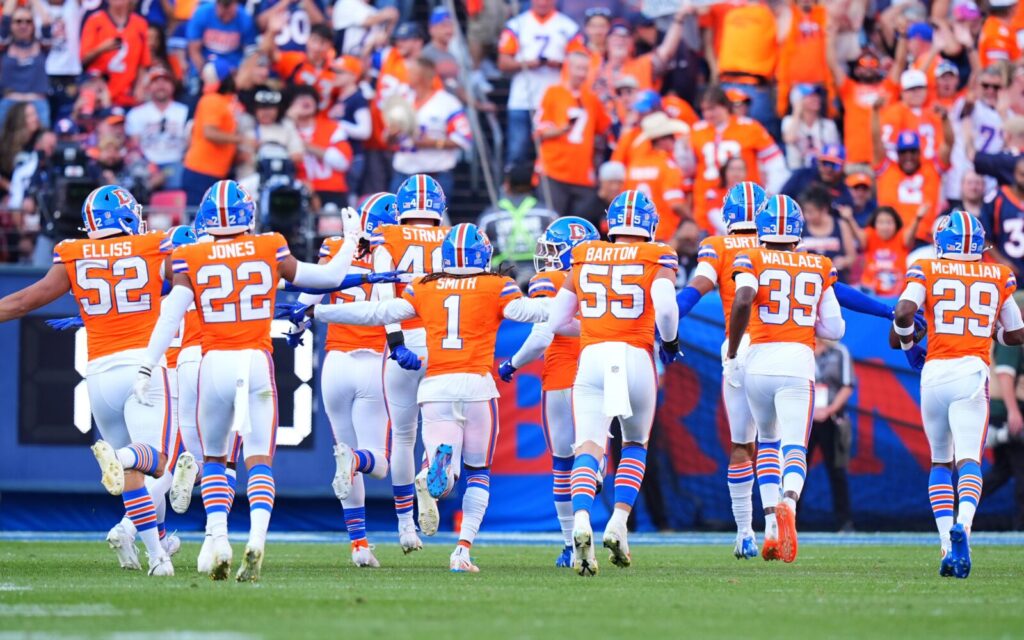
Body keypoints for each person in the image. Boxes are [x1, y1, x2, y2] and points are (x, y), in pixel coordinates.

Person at [131, 179, 365, 582]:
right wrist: (350, 242)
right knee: (258, 458)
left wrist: (146, 365)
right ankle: (256, 537)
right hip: (255, 360)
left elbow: (171, 315)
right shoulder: (268, 244)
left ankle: (218, 537)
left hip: (213, 362)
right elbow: (324, 279)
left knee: (215, 459)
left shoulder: (190, 254)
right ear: (247, 215)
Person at [310, 223, 552, 572]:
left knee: (435, 460)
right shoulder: (497, 285)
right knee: (479, 473)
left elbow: (378, 313)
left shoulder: (425, 286)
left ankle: (432, 471)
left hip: (436, 386)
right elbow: (527, 313)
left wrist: (320, 312)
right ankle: (462, 551)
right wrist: (578, 304)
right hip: (478, 386)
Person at [0, 186, 176, 576]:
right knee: (157, 460)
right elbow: (194, 281)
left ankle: (158, 557)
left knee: (131, 475)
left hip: (97, 375)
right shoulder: (153, 244)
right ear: (127, 216)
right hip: (141, 367)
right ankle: (124, 460)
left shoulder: (73, 252)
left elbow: (25, 301)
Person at [545, 190, 682, 577]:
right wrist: (670, 341)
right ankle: (619, 522)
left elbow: (555, 320)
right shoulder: (657, 254)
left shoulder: (585, 253)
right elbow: (667, 307)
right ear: (649, 223)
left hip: (592, 358)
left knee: (588, 445)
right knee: (634, 444)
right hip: (634, 358)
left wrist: (591, 326)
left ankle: (583, 519)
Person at [891, 210, 1024, 579]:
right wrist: (987, 333)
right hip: (970, 373)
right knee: (969, 460)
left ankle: (946, 545)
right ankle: (963, 526)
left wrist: (907, 346)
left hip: (933, 374)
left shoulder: (929, 268)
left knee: (939, 462)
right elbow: (1016, 334)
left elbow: (904, 310)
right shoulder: (998, 274)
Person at [281, 193, 398, 567]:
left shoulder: (336, 245)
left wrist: (302, 319)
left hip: (334, 364)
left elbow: (312, 294)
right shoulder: (393, 250)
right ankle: (354, 462)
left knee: (343, 452)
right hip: (371, 362)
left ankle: (359, 545)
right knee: (376, 462)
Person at [726, 194, 845, 563]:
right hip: (796, 361)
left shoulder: (752, 256)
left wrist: (732, 348)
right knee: (795, 445)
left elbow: (743, 299)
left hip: (757, 361)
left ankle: (771, 529)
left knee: (767, 442)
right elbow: (836, 328)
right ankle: (789, 502)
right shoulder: (818, 264)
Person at [497, 216, 599, 566]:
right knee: (593, 454)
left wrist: (512, 363)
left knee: (562, 464)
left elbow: (542, 335)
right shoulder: (602, 276)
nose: (546, 257)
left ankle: (571, 545)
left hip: (560, 380)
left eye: (554, 250)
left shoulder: (549, 280)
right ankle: (599, 491)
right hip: (599, 375)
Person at [675, 181, 767, 559]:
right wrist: (886, 310)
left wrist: (668, 316)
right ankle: (776, 525)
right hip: (779, 346)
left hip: (738, 347)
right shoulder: (783, 247)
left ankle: (745, 532)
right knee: (777, 443)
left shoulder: (719, 244)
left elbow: (699, 285)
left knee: (741, 443)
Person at [369, 174, 450, 554]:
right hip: (442, 344)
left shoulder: (389, 235)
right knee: (442, 428)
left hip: (402, 339)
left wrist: (396, 340)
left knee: (402, 435)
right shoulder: (454, 239)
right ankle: (427, 474)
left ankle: (404, 526)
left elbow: (384, 292)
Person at [688, 86, 788, 233]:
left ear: (725, 106)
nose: (708, 114)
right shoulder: (696, 130)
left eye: (712, 109)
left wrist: (770, 193)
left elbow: (775, 162)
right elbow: (688, 170)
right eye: (704, 110)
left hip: (746, 205)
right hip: (706, 205)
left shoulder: (750, 128)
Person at [496, 0, 579, 166]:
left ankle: (546, 190)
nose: (542, 3)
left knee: (553, 152)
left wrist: (559, 64)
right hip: (523, 98)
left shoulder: (568, 27)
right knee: (517, 151)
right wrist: (528, 63)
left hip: (554, 102)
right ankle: (512, 190)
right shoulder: (517, 24)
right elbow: (503, 62)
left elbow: (580, 62)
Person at [535, 50, 610, 218]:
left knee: (579, 228)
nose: (582, 74)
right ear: (568, 68)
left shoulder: (591, 98)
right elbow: (539, 131)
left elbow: (604, 127)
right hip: (554, 170)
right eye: (578, 68)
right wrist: (563, 129)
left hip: (582, 174)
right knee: (553, 226)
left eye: (585, 69)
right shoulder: (552, 93)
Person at [388, 56, 471, 198]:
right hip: (402, 174)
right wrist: (392, 134)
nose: (407, 75)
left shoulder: (447, 103)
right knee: (396, 219)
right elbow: (388, 139)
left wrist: (433, 143)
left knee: (432, 220)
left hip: (433, 176)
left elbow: (464, 139)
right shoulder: (402, 98)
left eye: (411, 72)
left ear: (422, 76)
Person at [476, 162, 559, 287]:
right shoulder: (548, 214)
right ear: (532, 183)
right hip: (542, 277)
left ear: (507, 184)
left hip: (502, 279)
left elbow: (478, 251)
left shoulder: (488, 217)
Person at [872, 111, 950, 243]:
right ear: (897, 154)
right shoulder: (887, 169)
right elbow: (875, 141)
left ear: (919, 152)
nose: (908, 156)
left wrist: (946, 120)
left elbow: (948, 144)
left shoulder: (931, 169)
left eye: (913, 152)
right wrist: (875, 111)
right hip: (892, 240)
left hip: (924, 239)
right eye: (903, 152)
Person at [181, 59, 245, 206]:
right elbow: (210, 133)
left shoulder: (227, 100)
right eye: (233, 75)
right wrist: (240, 140)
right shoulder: (212, 100)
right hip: (201, 171)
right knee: (199, 220)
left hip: (216, 171)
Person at [809, 339, 856, 532]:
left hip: (832, 418)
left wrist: (829, 409)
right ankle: (789, 521)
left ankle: (844, 521)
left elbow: (847, 385)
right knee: (796, 468)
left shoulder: (839, 352)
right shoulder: (802, 348)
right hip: (805, 418)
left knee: (837, 470)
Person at [983, 319, 1024, 530]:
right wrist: (1013, 410)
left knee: (1003, 469)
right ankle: (1020, 526)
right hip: (1009, 411)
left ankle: (958, 505)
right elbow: (1006, 374)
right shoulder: (1011, 336)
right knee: (1019, 469)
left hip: (1006, 409)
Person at [713, 0, 779, 131]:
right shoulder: (728, 12)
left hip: (756, 84)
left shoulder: (771, 10)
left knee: (761, 131)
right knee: (725, 131)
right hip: (727, 81)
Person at [624, 112, 689, 241]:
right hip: (662, 233)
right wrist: (693, 220)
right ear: (661, 140)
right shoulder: (667, 165)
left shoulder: (634, 165)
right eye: (672, 137)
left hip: (635, 234)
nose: (674, 140)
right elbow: (675, 204)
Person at [125, 67, 189, 190]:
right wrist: (151, 168)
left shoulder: (184, 112)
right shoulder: (136, 113)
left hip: (175, 163)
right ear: (149, 87)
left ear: (173, 86)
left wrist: (164, 173)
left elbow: (190, 145)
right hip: (147, 164)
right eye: (156, 82)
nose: (161, 85)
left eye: (165, 81)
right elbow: (135, 146)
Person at [288, 85, 352, 208]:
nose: (305, 100)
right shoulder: (285, 129)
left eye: (309, 97)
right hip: (296, 191)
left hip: (331, 190)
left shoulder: (332, 127)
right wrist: (288, 121)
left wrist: (305, 146)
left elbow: (343, 162)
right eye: (299, 98)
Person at [79, 0, 150, 108]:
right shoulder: (95, 21)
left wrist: (139, 86)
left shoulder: (140, 24)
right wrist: (101, 49)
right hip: (99, 94)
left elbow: (144, 63)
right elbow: (83, 59)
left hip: (127, 94)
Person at [840, 205, 918, 296]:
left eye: (889, 222)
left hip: (898, 294)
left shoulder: (901, 237)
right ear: (875, 224)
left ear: (896, 224)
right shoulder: (870, 235)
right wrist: (849, 219)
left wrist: (918, 219)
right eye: (880, 222)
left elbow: (910, 237)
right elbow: (859, 236)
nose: (884, 227)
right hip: (871, 294)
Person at [0, 0, 53, 128]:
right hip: (9, 103)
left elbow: (46, 22)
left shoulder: (42, 46)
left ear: (34, 25)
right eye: (18, 21)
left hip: (38, 104)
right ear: (12, 25)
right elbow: (5, 19)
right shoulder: (5, 47)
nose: (23, 25)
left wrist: (34, 1)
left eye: (28, 21)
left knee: (42, 144)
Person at [799, 184, 856, 282]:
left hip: (836, 281)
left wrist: (844, 261)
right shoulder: (800, 228)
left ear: (824, 209)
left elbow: (852, 256)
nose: (807, 216)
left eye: (811, 212)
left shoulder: (841, 225)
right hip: (808, 281)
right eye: (806, 211)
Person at [980, 156, 1024, 277]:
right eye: (1022, 175)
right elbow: (984, 237)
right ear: (1014, 173)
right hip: (1003, 273)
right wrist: (1002, 262)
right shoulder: (997, 198)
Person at [186, 0, 257, 72]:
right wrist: (203, 71)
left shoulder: (245, 18)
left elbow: (251, 51)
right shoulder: (202, 14)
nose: (226, 16)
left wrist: (240, 71)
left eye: (229, 13)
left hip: (233, 68)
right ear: (217, 4)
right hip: (205, 64)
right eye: (223, 14)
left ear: (236, 4)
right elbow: (194, 49)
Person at [781, 84, 840, 171]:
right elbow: (789, 138)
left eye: (817, 96)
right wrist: (797, 111)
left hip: (821, 173)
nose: (816, 99)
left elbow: (835, 152)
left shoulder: (829, 125)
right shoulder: (789, 121)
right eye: (811, 96)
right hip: (796, 172)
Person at [780, 144, 853, 208]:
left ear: (843, 168)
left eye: (835, 165)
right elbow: (782, 198)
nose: (829, 169)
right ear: (818, 162)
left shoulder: (845, 192)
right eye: (825, 163)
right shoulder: (802, 175)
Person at [254, 0, 327, 53]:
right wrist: (285, 2)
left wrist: (307, 2)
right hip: (277, 58)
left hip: (304, 61)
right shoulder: (269, 2)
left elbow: (322, 27)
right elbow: (261, 24)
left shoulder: (314, 2)